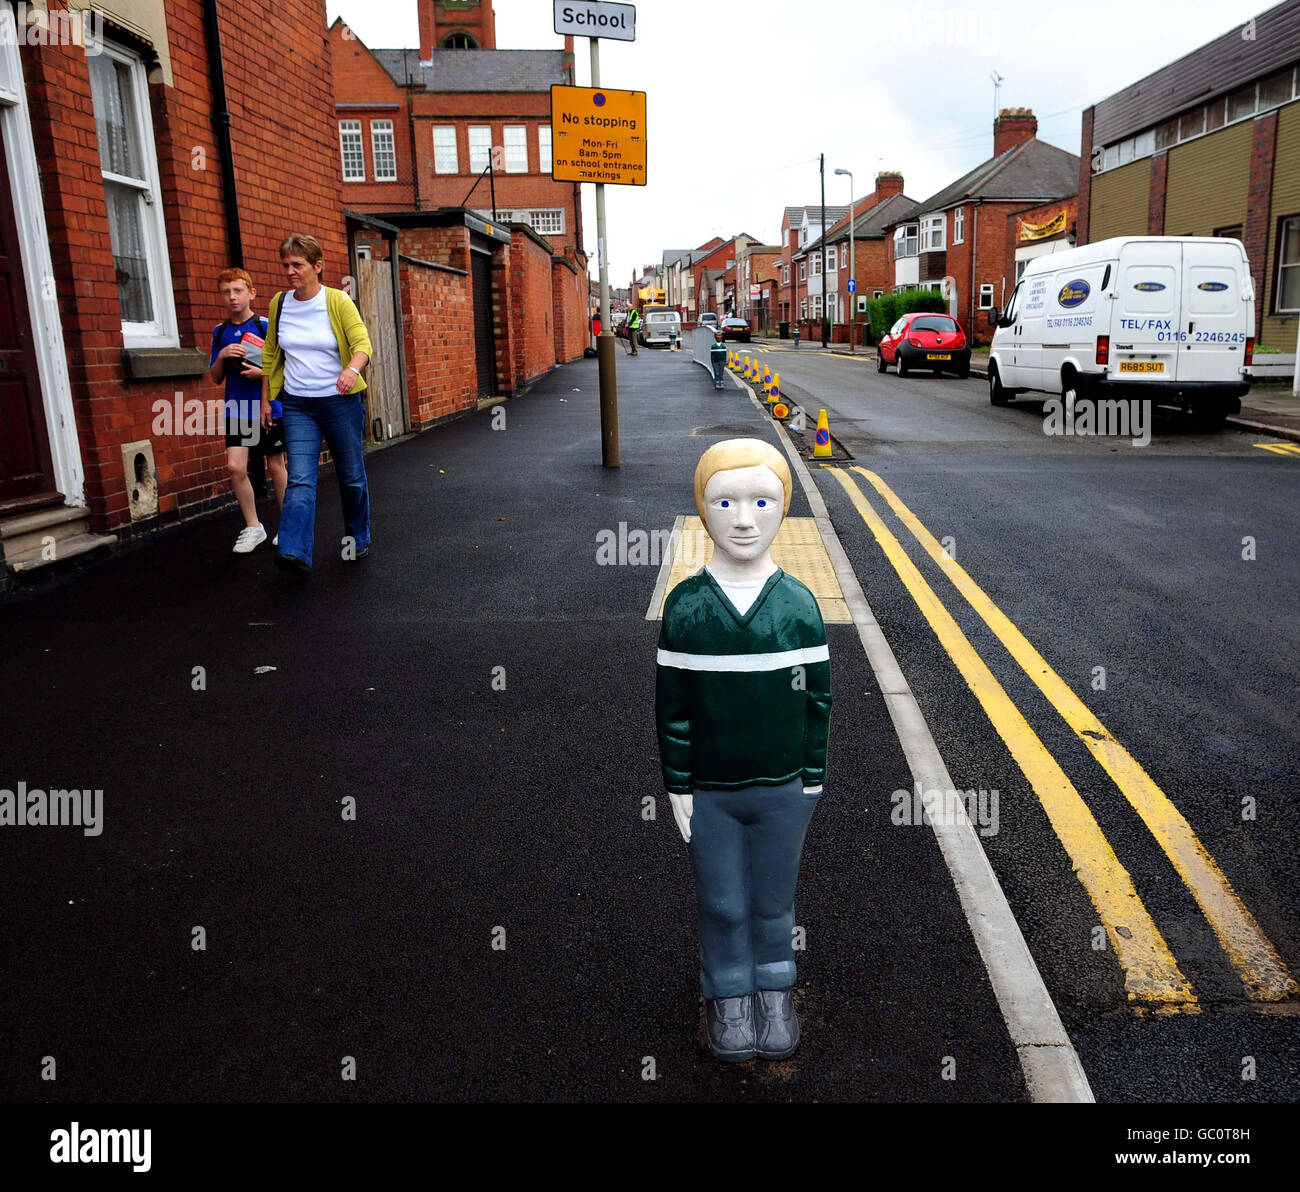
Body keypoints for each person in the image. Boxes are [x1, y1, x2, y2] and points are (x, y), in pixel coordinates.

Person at [655, 439, 831, 1063]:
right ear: (703, 509)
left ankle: (775, 986)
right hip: (711, 791)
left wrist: (812, 776)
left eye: (763, 500)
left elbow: (818, 703)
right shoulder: (686, 610)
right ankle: (728, 992)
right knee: (724, 901)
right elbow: (673, 710)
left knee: (775, 899)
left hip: (783, 788)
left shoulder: (800, 609)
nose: (744, 518)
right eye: (724, 501)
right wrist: (677, 785)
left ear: (784, 507)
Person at [260, 234, 373, 579]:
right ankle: (294, 550)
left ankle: (358, 535)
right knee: (300, 478)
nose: (290, 271)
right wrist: (267, 400)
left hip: (339, 401)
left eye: (298, 265)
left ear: (317, 266)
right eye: (286, 265)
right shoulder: (279, 304)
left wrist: (351, 370)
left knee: (351, 475)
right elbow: (269, 355)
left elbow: (362, 344)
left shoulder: (337, 301)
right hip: (297, 405)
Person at [207, 268, 286, 553]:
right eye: (226, 292)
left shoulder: (265, 325)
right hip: (238, 408)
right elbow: (215, 377)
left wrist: (260, 372)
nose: (232, 297)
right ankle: (254, 527)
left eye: (238, 291)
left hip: (267, 407)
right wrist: (224, 355)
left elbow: (281, 367)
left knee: (275, 465)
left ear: (251, 293)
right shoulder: (220, 332)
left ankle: (288, 526)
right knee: (235, 467)